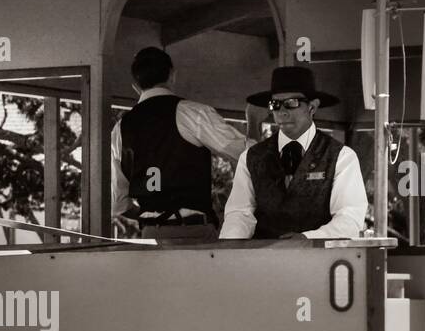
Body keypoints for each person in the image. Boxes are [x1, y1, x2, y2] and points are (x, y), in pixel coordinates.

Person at [111, 46, 250, 240]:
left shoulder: (121, 128)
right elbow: (246, 152)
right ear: (172, 75)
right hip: (193, 232)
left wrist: (152, 216)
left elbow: (117, 203)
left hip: (149, 236)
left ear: (135, 85)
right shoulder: (191, 113)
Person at [220, 65, 367, 239]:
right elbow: (239, 214)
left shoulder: (341, 157)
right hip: (263, 261)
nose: (282, 112)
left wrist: (308, 238)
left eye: (291, 104)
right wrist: (227, 248)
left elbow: (349, 219)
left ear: (312, 107)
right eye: (275, 105)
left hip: (319, 261)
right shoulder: (252, 157)